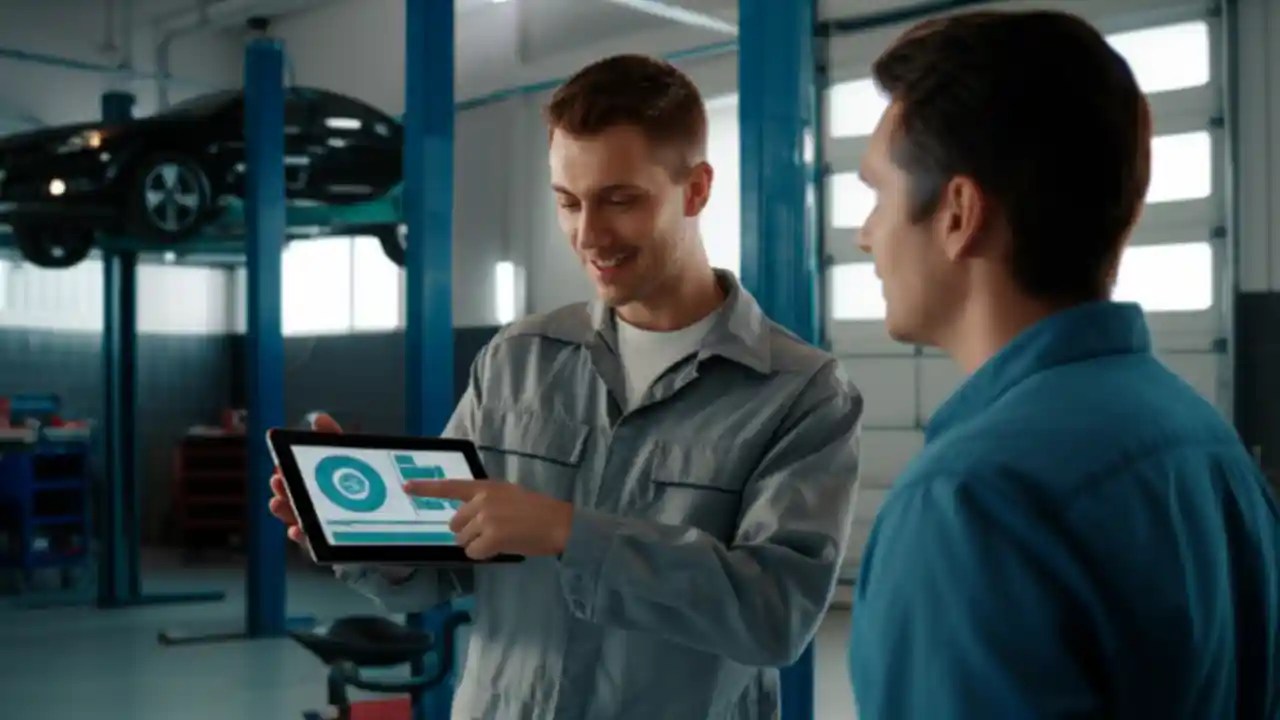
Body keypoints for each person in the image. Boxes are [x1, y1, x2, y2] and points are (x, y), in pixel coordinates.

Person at [270, 54, 863, 719]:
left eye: (620, 200)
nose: (589, 234)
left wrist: (569, 532)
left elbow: (774, 615)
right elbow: (444, 569)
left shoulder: (801, 393)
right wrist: (363, 534)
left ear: (696, 189)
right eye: (568, 202)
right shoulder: (518, 359)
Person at [846, 9, 1280, 720]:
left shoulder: (971, 501)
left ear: (958, 213)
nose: (866, 236)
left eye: (877, 195)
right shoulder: (1204, 442)